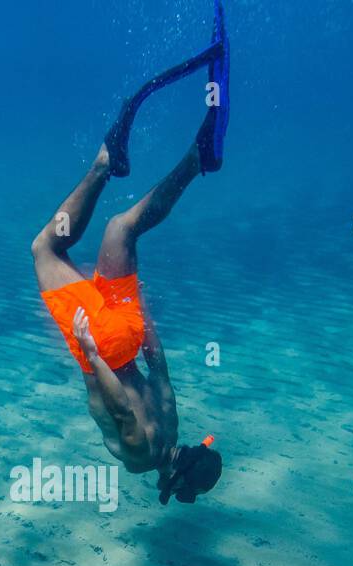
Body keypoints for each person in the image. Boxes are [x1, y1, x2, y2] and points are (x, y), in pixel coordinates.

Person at [31, 1, 229, 506]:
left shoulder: (174, 419)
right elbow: (120, 412)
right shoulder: (144, 457)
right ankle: (103, 162)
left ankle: (195, 161)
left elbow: (158, 365)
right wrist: (93, 353)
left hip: (130, 329)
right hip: (102, 346)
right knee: (46, 247)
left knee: (122, 229)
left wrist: (138, 311)